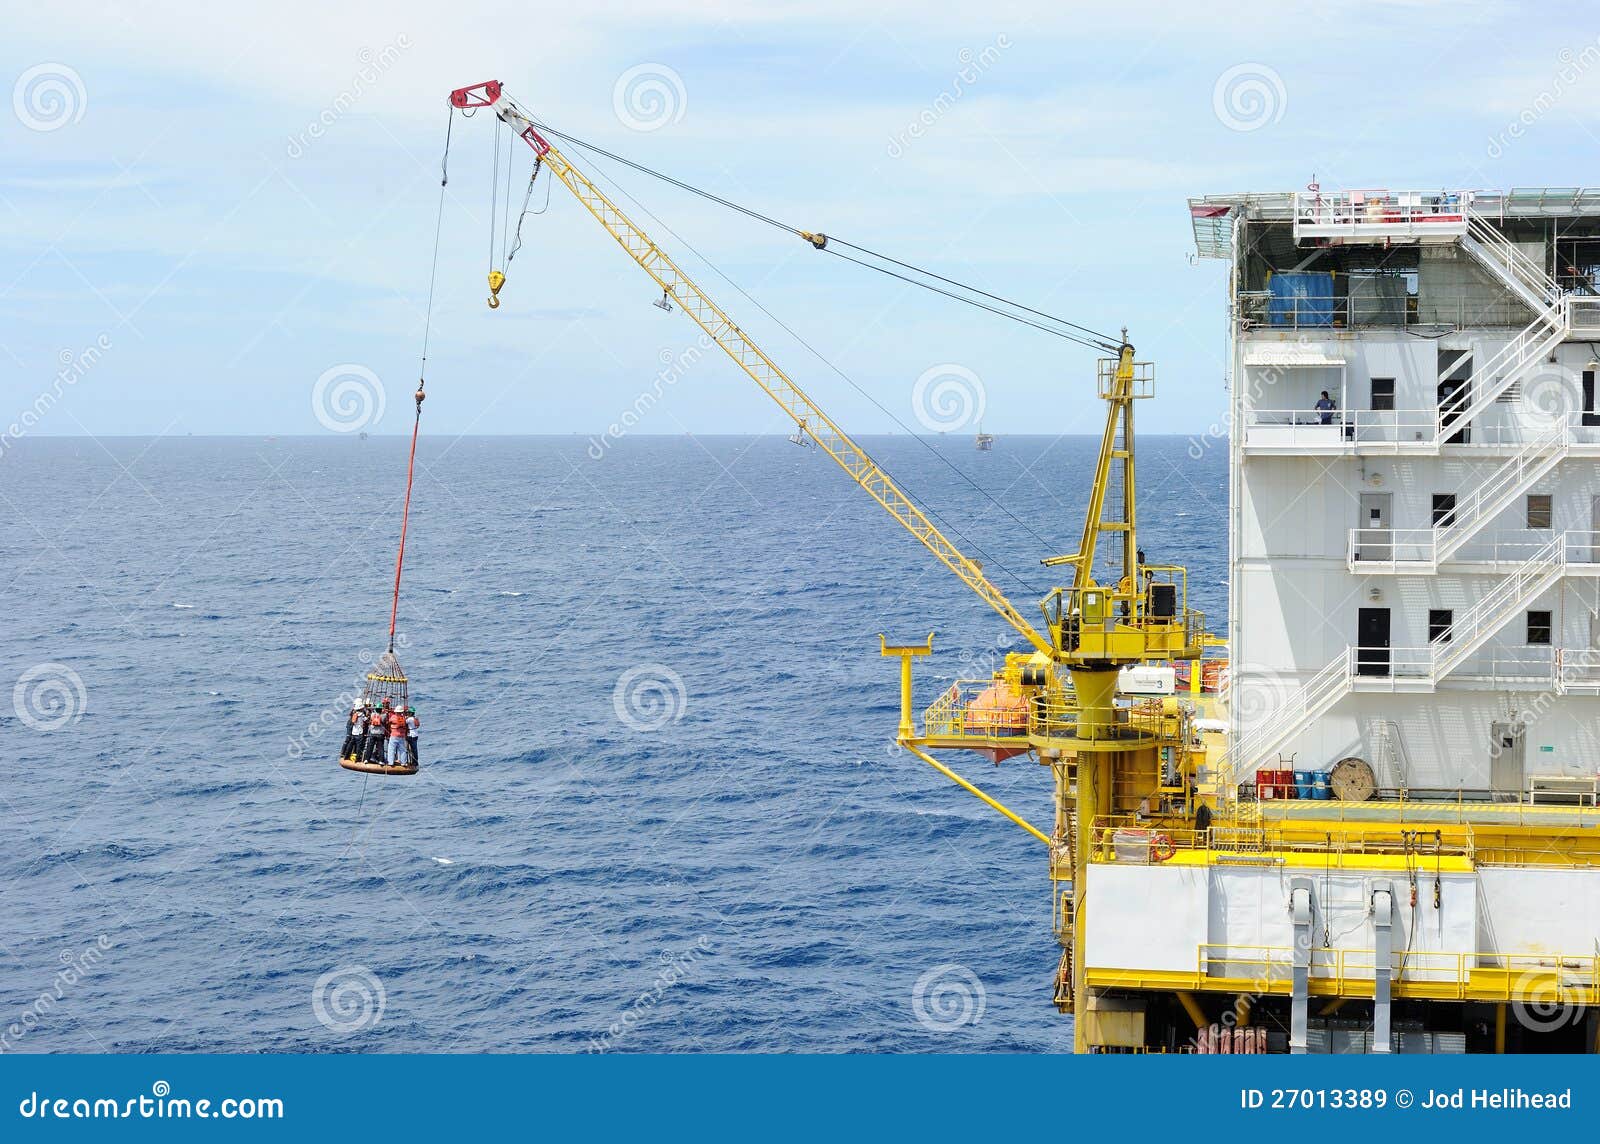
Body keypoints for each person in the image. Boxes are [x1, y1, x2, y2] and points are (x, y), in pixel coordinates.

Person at [365, 698, 390, 763]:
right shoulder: (384, 715)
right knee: (380, 748)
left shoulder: (373, 714)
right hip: (380, 734)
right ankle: (381, 761)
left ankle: (366, 759)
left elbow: (370, 719)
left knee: (370, 747)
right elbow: (385, 721)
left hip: (373, 733)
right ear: (381, 709)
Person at [385, 702, 409, 767]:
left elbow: (388, 722)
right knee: (402, 750)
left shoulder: (393, 717)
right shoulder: (404, 718)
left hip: (394, 736)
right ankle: (403, 762)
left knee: (391, 749)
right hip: (402, 736)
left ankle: (391, 762)